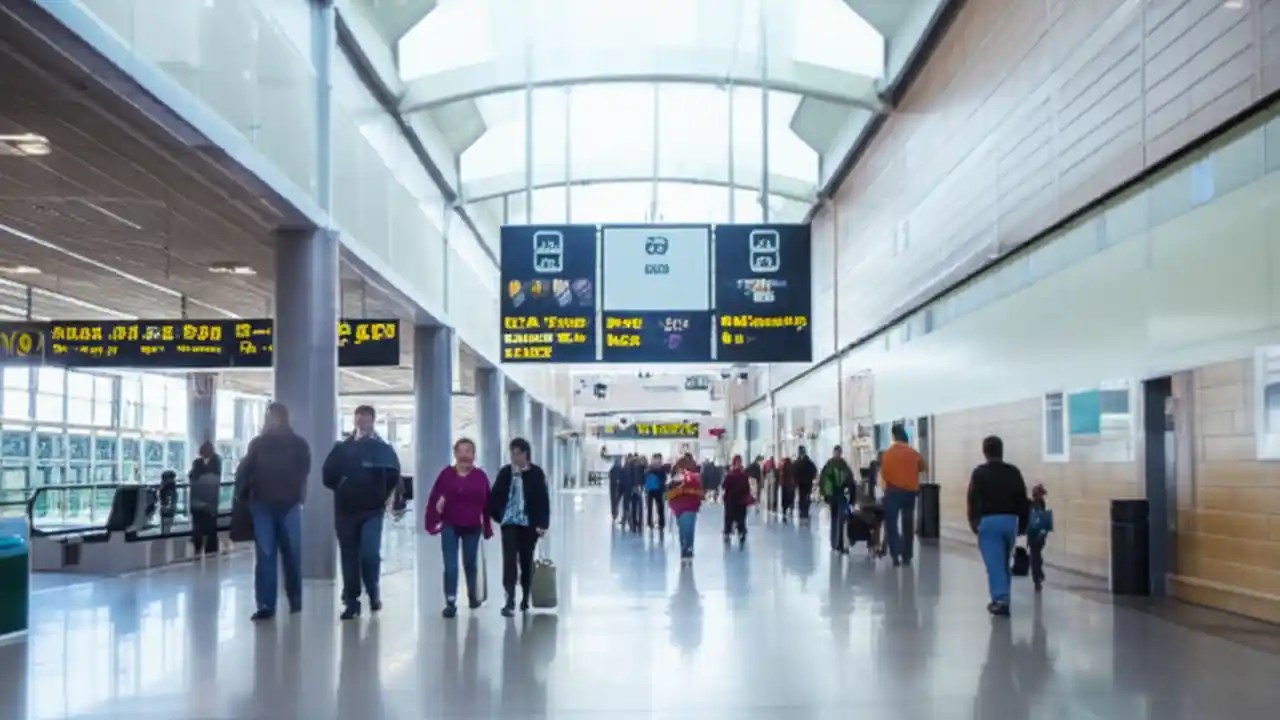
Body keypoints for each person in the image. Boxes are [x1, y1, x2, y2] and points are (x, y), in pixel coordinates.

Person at [322, 405, 402, 620]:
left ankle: (373, 589)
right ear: (354, 421)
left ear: (372, 420)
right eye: (359, 417)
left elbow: (394, 472)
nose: (362, 421)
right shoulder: (341, 448)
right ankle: (352, 600)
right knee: (349, 556)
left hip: (372, 510)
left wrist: (382, 495)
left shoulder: (382, 448)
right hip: (345, 510)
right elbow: (327, 475)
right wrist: (342, 485)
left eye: (366, 417)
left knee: (369, 554)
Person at [235, 402, 311, 622]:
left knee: (292, 554)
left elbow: (304, 469)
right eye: (269, 417)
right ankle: (266, 604)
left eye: (275, 416)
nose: (272, 420)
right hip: (262, 505)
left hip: (289, 505)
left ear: (284, 418)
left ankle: (295, 598)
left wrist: (298, 494)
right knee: (266, 555)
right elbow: (246, 469)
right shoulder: (258, 444)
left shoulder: (298, 443)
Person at [424, 438, 493, 618]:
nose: (464, 455)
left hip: (472, 526)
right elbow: (434, 498)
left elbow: (488, 503)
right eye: (461, 451)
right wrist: (433, 518)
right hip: (450, 524)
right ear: (455, 454)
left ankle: (473, 595)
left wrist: (487, 526)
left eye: (468, 451)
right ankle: (451, 601)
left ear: (474, 454)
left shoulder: (480, 476)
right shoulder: (446, 475)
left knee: (470, 563)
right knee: (451, 565)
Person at [967, 435, 1029, 616]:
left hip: (989, 523)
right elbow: (1022, 500)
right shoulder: (1013, 472)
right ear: (1001, 451)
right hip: (1010, 521)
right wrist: (1023, 524)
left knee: (994, 563)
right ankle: (1003, 598)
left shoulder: (979, 473)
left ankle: (1001, 599)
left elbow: (973, 499)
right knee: (1003, 562)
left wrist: (973, 521)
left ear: (985, 452)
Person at [488, 437, 551, 617]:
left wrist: (542, 524)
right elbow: (495, 496)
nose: (514, 458)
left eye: (517, 454)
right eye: (512, 454)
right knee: (509, 561)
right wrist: (498, 515)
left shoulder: (536, 473)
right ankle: (509, 599)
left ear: (525, 454)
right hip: (509, 524)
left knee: (526, 560)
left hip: (529, 526)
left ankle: (525, 595)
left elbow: (542, 500)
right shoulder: (505, 473)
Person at [881, 425, 927, 567]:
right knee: (908, 523)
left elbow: (884, 474)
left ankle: (895, 554)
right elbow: (923, 467)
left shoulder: (888, 453)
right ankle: (907, 555)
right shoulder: (914, 453)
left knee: (891, 523)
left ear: (894, 437)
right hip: (910, 492)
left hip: (893, 491)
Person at [187, 441, 222, 555]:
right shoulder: (197, 462)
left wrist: (201, 477)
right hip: (199, 497)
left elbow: (212, 477)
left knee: (210, 525)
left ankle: (210, 549)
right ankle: (198, 546)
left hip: (210, 498)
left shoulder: (216, 461)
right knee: (199, 524)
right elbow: (193, 476)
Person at [820, 446, 856, 553]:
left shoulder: (829, 465)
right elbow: (850, 481)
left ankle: (834, 543)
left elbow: (822, 480)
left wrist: (824, 494)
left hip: (832, 496)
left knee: (835, 519)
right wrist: (852, 499)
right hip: (839, 496)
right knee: (840, 520)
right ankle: (838, 544)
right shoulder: (843, 465)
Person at [668, 468, 705, 561]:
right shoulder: (693, 479)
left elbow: (667, 496)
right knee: (688, 529)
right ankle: (687, 548)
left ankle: (686, 548)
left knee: (684, 529)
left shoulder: (676, 481)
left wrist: (685, 491)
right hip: (689, 507)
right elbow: (701, 494)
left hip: (681, 508)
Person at [1027, 484, 1054, 592]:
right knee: (1036, 556)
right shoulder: (1038, 504)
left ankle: (1037, 576)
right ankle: (1037, 577)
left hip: (1034, 534)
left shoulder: (1034, 504)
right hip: (1038, 534)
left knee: (1035, 556)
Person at [721, 455, 752, 543]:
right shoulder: (740, 476)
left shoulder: (732, 475)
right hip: (736, 500)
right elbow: (747, 488)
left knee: (734, 517)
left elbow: (724, 486)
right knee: (737, 518)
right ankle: (736, 532)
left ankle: (732, 532)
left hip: (734, 500)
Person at [793, 447, 819, 522]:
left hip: (803, 483)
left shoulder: (798, 462)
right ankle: (804, 510)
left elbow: (794, 471)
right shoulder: (809, 462)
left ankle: (803, 511)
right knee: (805, 497)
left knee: (803, 497)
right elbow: (814, 471)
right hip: (805, 483)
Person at [644, 454, 668, 532]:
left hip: (651, 490)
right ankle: (661, 523)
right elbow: (664, 479)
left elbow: (645, 477)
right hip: (658, 490)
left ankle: (650, 523)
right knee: (660, 507)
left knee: (650, 507)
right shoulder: (661, 468)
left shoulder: (649, 468)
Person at [158, 470, 178, 534]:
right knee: (167, 524)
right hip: (168, 507)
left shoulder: (162, 485)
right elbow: (172, 497)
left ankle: (165, 534)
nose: (174, 480)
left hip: (164, 506)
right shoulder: (171, 485)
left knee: (165, 525)